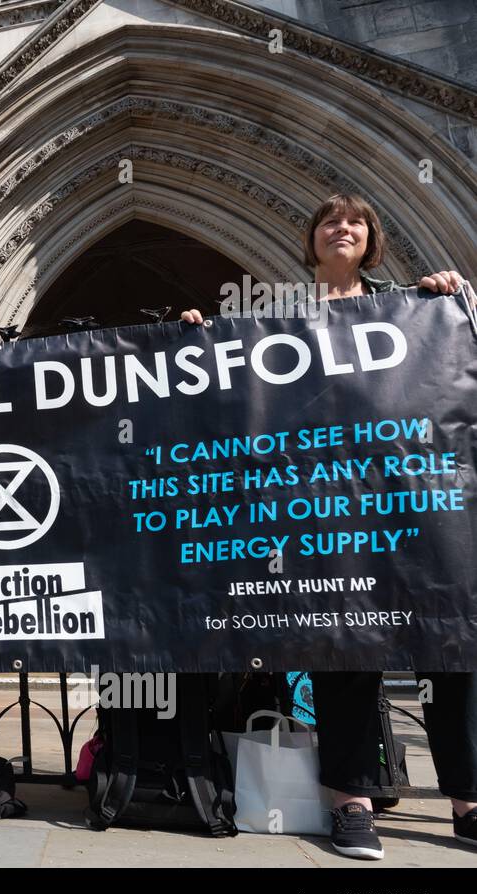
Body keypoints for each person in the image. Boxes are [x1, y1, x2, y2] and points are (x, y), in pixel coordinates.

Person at [183, 193, 477, 859]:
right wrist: (196, 339)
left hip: (414, 499)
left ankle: (468, 799)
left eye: (356, 222)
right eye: (329, 221)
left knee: (452, 647)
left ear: (371, 240)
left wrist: (452, 297)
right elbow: (231, 392)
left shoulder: (417, 308)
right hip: (328, 508)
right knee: (347, 647)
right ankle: (353, 801)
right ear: (311, 238)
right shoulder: (276, 321)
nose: (342, 229)